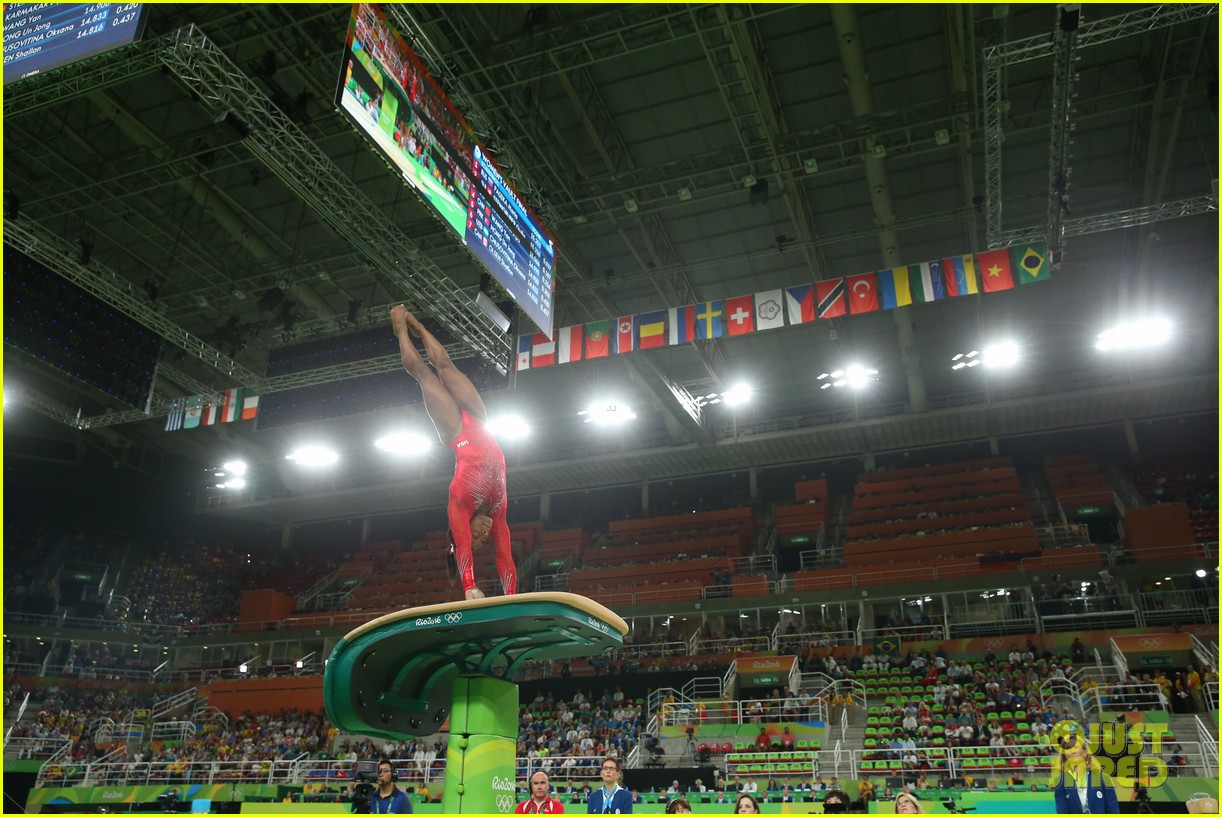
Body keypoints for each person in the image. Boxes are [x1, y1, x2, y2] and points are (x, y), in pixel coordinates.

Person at [390, 305, 516, 600]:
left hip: (456, 434)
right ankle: (412, 325)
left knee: (427, 373)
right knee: (446, 364)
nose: (483, 534)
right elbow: (505, 554)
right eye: (483, 538)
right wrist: (512, 597)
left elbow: (462, 550)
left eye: (476, 535)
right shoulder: (498, 509)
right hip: (480, 421)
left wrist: (470, 586)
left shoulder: (458, 509)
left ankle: (404, 328)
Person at [1053, 728, 1119, 814]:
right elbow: (1062, 812)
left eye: (1076, 747)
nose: (1072, 751)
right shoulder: (1060, 783)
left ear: (1085, 752)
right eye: (1068, 748)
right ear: (1064, 755)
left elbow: (1113, 811)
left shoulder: (1104, 779)